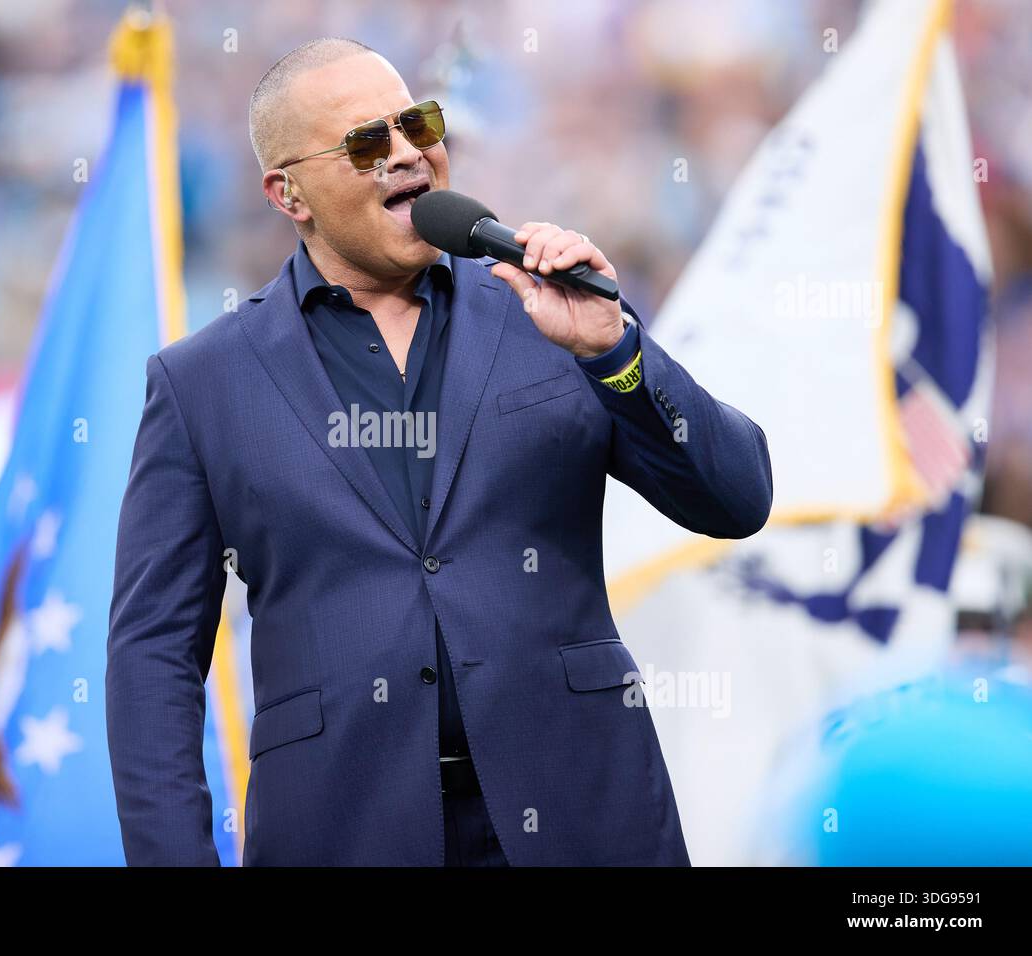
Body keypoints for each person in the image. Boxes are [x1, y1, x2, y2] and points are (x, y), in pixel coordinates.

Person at [107, 37, 772, 866]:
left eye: (415, 122)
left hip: (582, 818)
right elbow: (153, 658)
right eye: (363, 143)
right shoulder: (202, 381)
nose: (405, 152)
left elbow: (737, 498)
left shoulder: (546, 313)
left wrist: (616, 353)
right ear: (289, 194)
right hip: (343, 831)